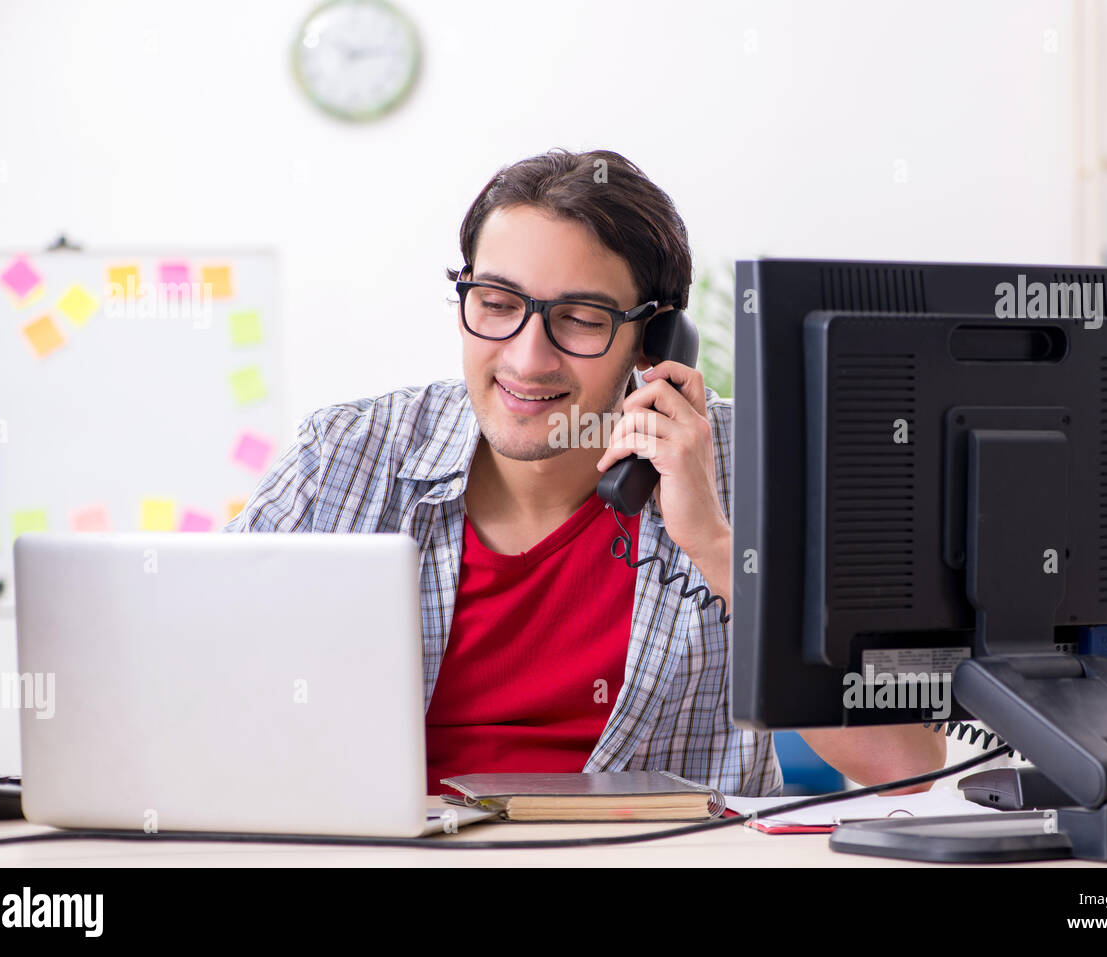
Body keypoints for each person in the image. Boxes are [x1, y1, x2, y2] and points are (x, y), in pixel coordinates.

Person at [224, 148, 946, 796]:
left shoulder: (754, 460)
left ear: (654, 339)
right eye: (498, 304)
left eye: (579, 318)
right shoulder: (347, 454)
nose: (528, 357)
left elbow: (906, 762)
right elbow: (192, 679)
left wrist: (720, 552)